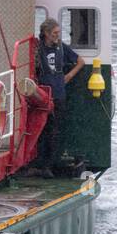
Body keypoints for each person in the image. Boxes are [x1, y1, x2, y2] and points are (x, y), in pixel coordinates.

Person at [30, 18, 85, 176]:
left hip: (59, 94)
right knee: (41, 129)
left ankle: (49, 165)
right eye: (54, 33)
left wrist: (68, 76)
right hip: (41, 95)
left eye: (58, 33)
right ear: (46, 33)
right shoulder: (38, 49)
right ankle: (37, 163)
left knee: (54, 131)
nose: (57, 36)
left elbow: (80, 61)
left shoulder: (61, 47)